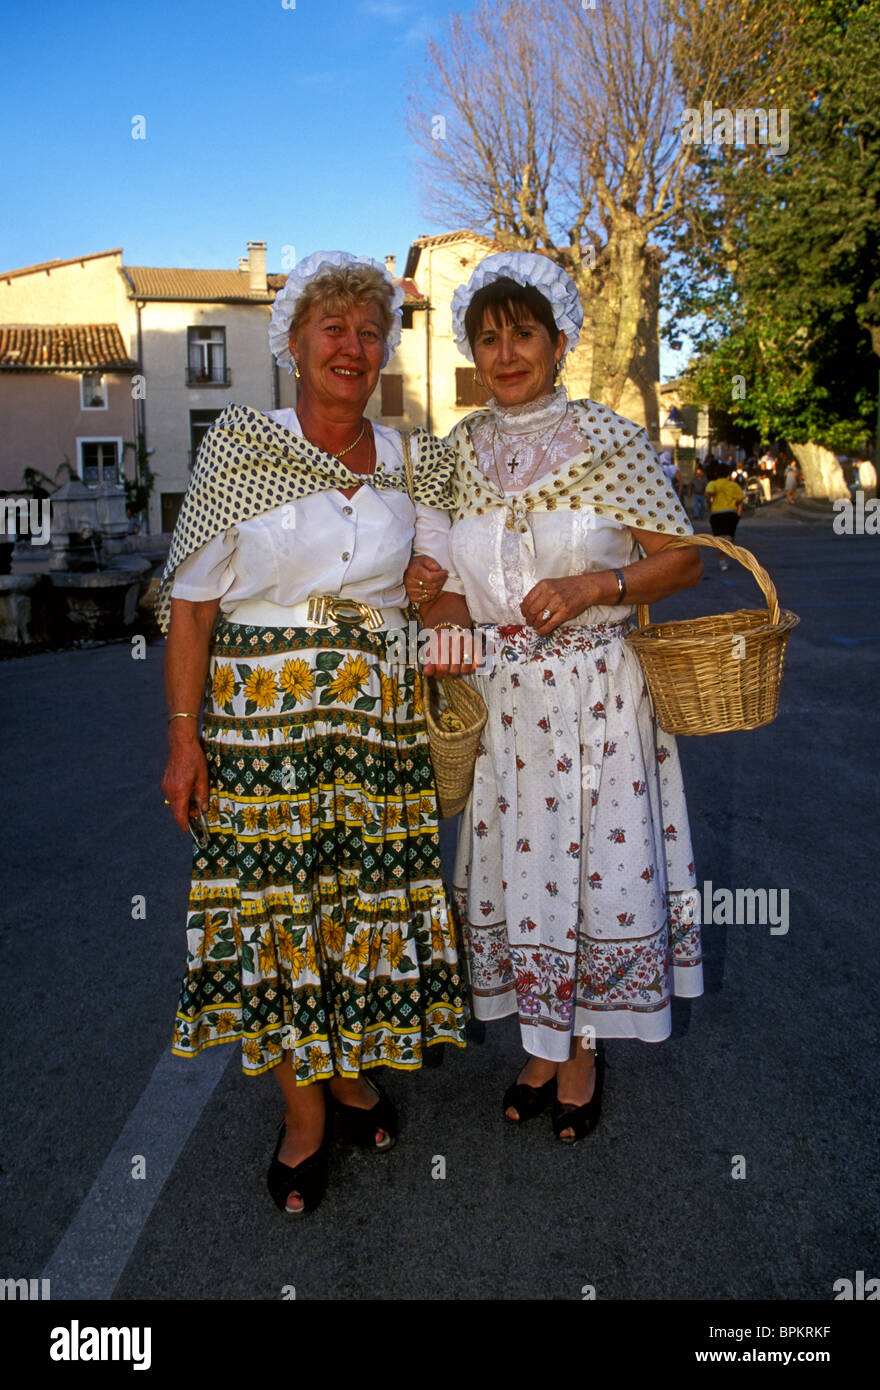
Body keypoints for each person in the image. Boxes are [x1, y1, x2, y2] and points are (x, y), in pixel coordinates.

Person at [158, 250, 467, 1217]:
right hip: (260, 730)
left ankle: (345, 1070)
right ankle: (303, 1109)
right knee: (283, 910)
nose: (352, 346)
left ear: (385, 350)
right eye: (332, 330)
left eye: (369, 331)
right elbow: (193, 606)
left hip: (373, 726)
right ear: (293, 346)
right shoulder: (241, 449)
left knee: (361, 896)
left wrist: (429, 593)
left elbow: (445, 589)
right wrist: (183, 737)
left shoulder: (418, 461)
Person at [405, 252, 704, 1143]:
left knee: (591, 871)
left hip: (598, 699)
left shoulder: (610, 439)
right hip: (506, 707)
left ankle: (581, 1050)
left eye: (521, 334)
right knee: (522, 872)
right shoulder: (454, 455)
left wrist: (595, 588)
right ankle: (541, 1041)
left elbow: (683, 560)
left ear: (559, 341)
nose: (504, 353)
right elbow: (449, 588)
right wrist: (433, 595)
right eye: (487, 337)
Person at [705, 463, 744, 569]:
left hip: (716, 513)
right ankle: (724, 554)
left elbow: (708, 494)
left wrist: (708, 504)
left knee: (718, 538)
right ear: (728, 474)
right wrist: (738, 515)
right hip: (730, 513)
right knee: (729, 537)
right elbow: (740, 501)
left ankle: (722, 561)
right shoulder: (734, 485)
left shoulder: (713, 484)